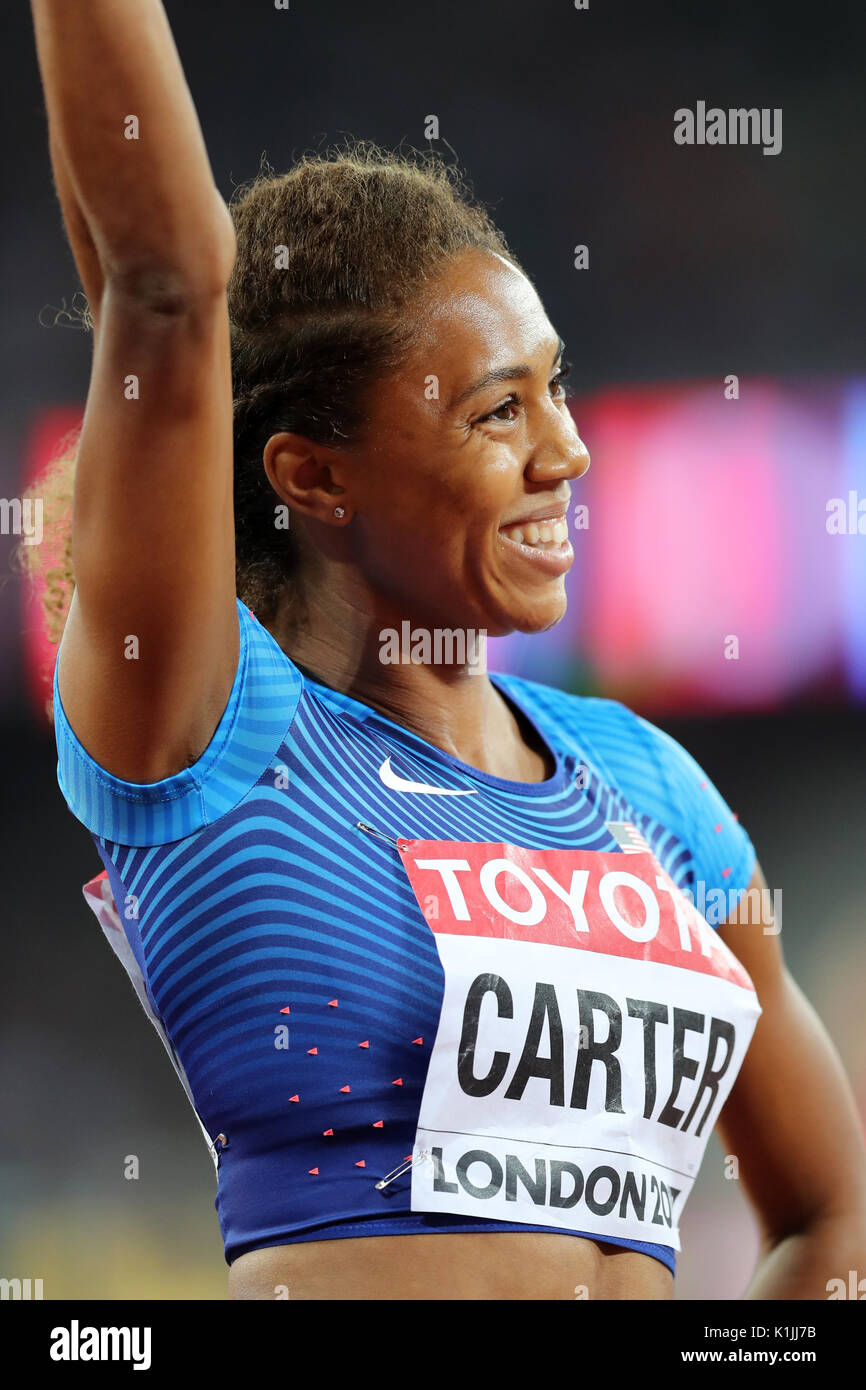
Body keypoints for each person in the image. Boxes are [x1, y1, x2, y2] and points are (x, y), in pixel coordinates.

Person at [27, 0, 866, 1301]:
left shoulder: (649, 790)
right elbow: (162, 279)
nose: (566, 451)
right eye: (496, 409)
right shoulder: (206, 729)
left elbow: (830, 1217)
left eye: (558, 386)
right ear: (313, 476)